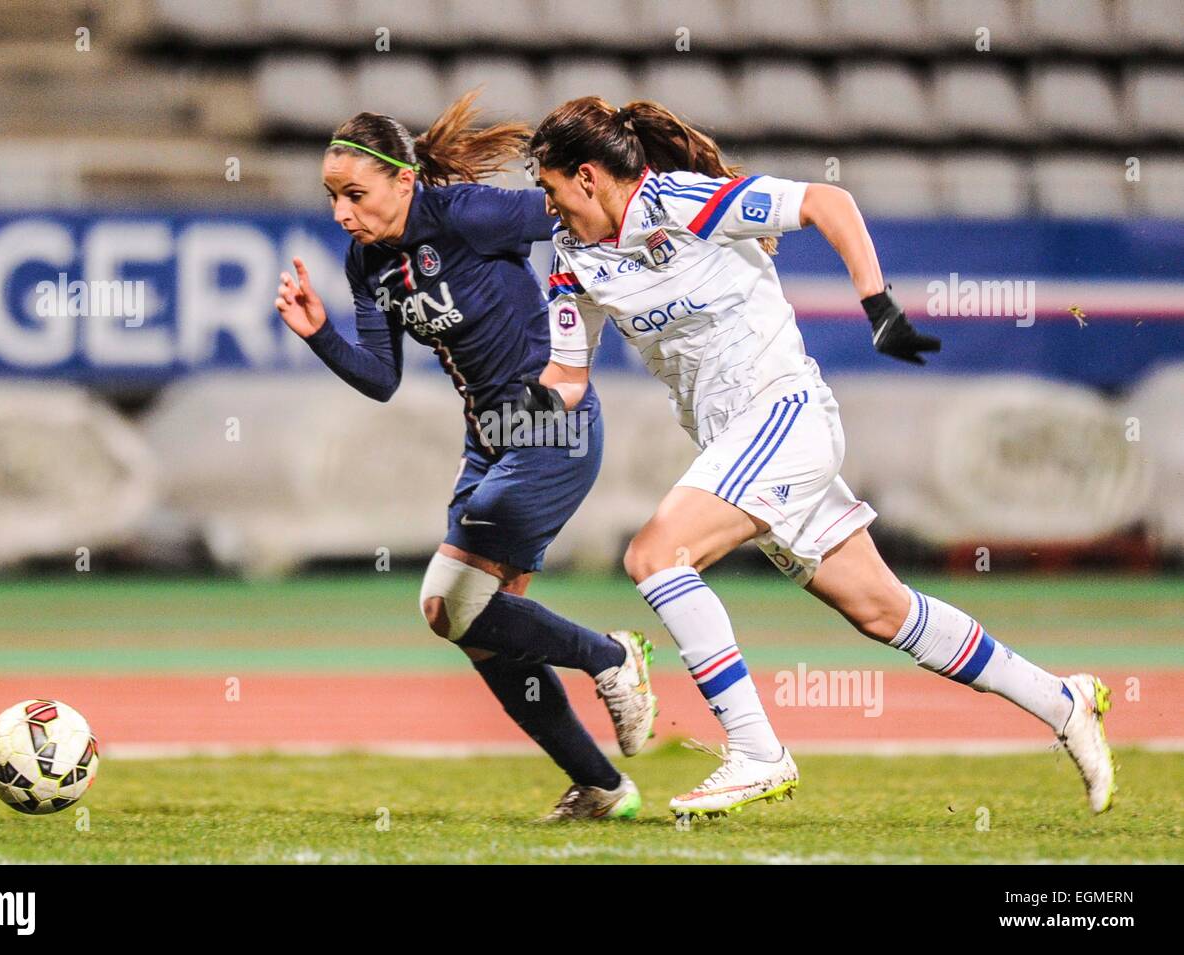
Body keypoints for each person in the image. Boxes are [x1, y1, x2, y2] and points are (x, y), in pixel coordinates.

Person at [520, 96, 1115, 817]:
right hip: (737, 444)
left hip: (783, 415)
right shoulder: (575, 257)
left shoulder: (676, 200)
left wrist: (879, 306)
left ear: (587, 176)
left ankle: (756, 749)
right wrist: (528, 405)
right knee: (882, 608)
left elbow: (829, 201)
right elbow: (567, 376)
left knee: (656, 555)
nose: (549, 209)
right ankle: (1063, 700)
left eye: (551, 190)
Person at [275, 92, 657, 821]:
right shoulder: (366, 264)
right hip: (487, 438)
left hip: (552, 423)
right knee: (468, 622)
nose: (341, 214)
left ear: (404, 180)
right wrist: (320, 334)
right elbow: (382, 380)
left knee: (458, 601)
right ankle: (602, 788)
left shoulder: (468, 215)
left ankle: (612, 657)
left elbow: (584, 205)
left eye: (355, 194)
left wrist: (664, 249)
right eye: (331, 197)